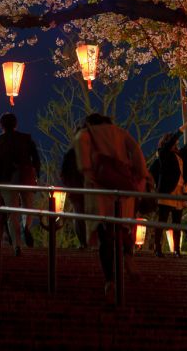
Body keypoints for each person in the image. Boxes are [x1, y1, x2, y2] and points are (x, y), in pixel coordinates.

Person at [74, 113, 148, 300]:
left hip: (99, 189)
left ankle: (110, 281)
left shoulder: (86, 133)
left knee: (105, 232)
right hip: (123, 186)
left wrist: (90, 173)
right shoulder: (120, 132)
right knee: (122, 225)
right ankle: (128, 256)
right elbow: (137, 152)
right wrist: (140, 177)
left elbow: (83, 158)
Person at [0, 112, 41, 256]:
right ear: (16, 124)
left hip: (6, 179)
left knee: (12, 213)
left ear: (1, 126)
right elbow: (36, 159)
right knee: (28, 207)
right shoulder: (26, 138)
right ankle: (26, 226)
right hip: (26, 176)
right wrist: (37, 175)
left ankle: (17, 245)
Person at [150, 121, 187, 256]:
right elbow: (171, 141)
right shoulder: (163, 153)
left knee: (177, 222)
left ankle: (177, 249)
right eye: (173, 142)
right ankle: (157, 248)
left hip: (180, 191)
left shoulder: (180, 154)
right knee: (162, 220)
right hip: (167, 190)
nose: (176, 144)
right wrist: (185, 125)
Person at [59, 142, 89, 249]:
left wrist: (69, 185)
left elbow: (63, 173)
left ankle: (83, 243)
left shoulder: (70, 154)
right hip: (89, 189)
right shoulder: (93, 152)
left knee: (79, 216)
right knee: (89, 216)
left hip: (76, 190)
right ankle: (89, 243)